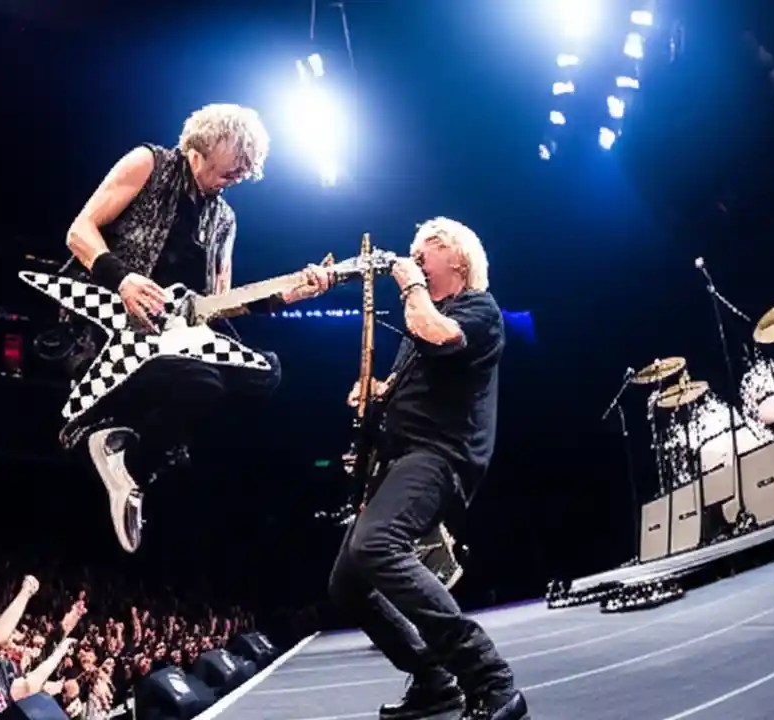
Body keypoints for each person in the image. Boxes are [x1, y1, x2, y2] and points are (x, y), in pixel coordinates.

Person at [62, 102, 333, 552]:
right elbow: (79, 231)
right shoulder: (150, 163)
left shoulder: (223, 219)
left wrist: (290, 294)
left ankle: (131, 464)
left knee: (264, 371)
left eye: (246, 169)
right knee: (202, 382)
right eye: (232, 165)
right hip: (111, 325)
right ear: (200, 150)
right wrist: (123, 278)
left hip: (174, 337)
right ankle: (110, 430)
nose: (238, 176)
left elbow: (219, 306)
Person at [328, 217, 528, 720]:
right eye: (414, 248)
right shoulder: (418, 321)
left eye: (429, 246)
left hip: (441, 455)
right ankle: (433, 679)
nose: (416, 253)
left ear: (458, 258)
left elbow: (438, 336)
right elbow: (411, 382)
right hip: (400, 458)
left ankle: (491, 679)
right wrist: (376, 394)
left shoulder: (478, 309)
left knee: (376, 544)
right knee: (347, 583)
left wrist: (410, 285)